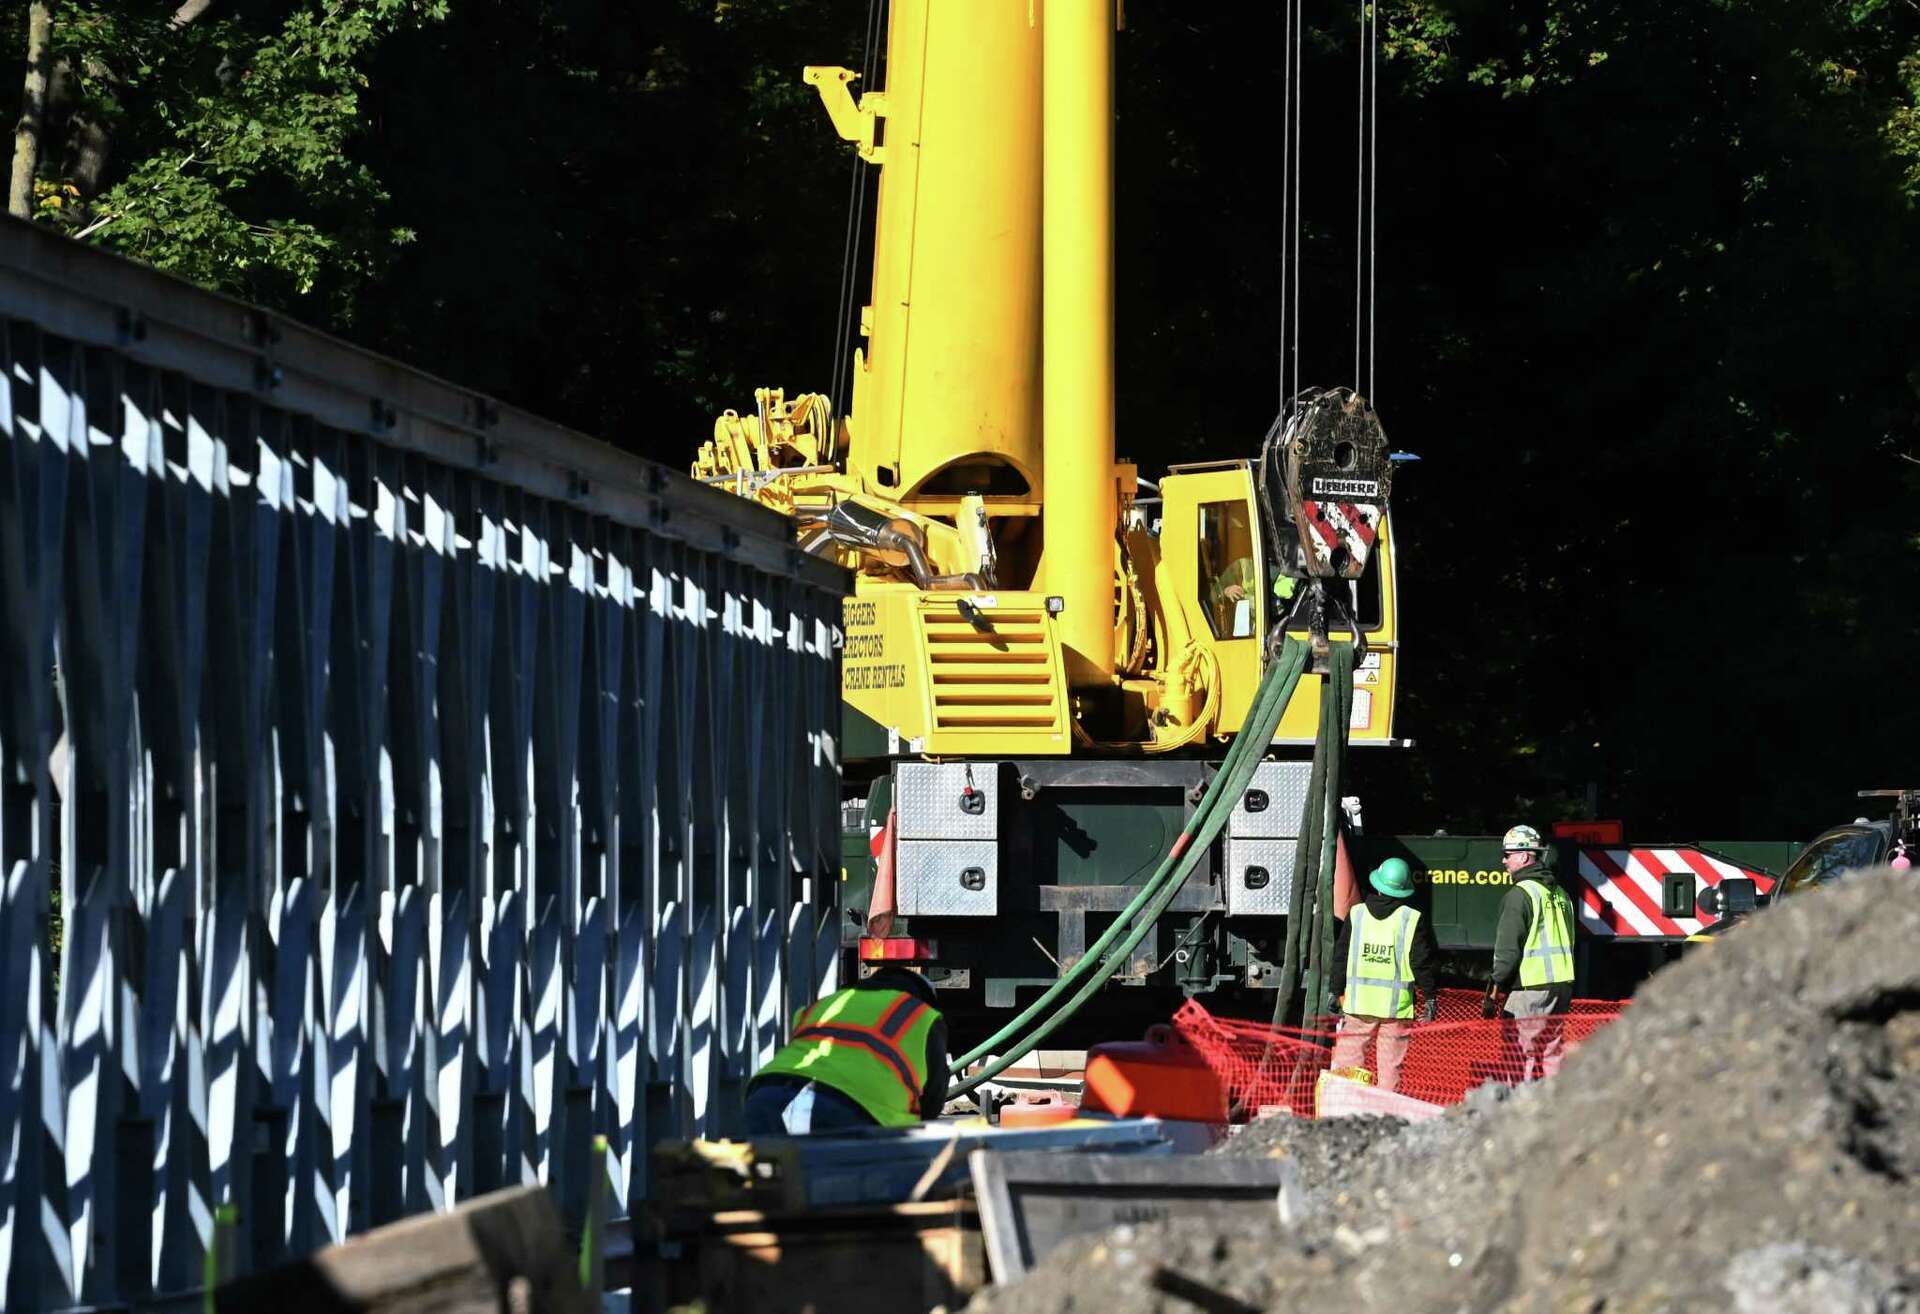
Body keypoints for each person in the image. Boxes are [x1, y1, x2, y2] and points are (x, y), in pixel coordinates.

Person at [743, 966, 950, 1135]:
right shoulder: (921, 1015)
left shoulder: (828, 1002)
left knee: (762, 1181)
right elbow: (933, 1097)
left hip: (765, 1094)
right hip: (846, 1107)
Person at [1330, 856, 1439, 1092]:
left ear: (1377, 884)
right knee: (1390, 1070)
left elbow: (1341, 955)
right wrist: (1430, 996)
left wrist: (1334, 990)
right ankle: (1385, 1117)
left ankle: (1343, 1113)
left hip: (1359, 1005)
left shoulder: (1357, 914)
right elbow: (1421, 962)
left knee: (1348, 1066)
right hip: (1395, 1010)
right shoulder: (1410, 919)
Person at [1483, 824, 1576, 1081]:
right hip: (1561, 985)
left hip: (1531, 989)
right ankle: (1551, 1109)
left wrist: (1495, 986)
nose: (1504, 860)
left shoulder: (1520, 895)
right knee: (1551, 1050)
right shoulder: (1560, 894)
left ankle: (1520, 1113)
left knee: (1520, 1054)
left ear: (1524, 856)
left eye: (1508, 854)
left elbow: (1508, 951)